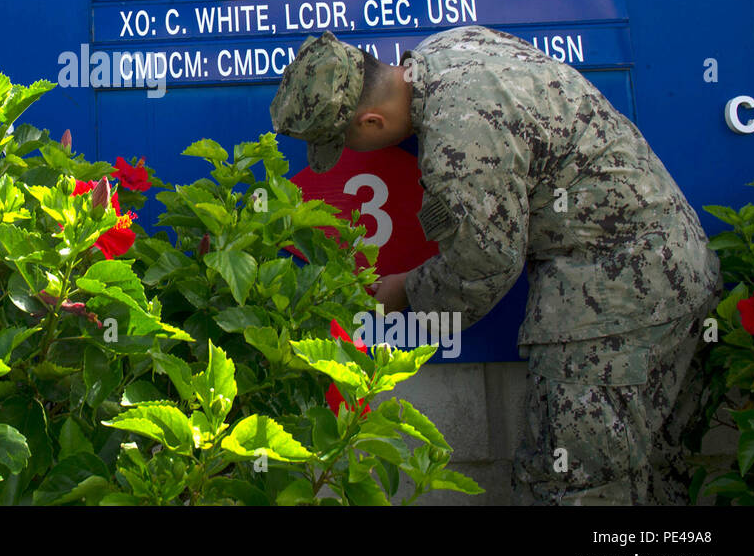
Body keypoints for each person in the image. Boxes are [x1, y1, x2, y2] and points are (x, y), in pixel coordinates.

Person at [269, 25, 721, 505]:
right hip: (674, 274)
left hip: (613, 301)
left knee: (571, 486)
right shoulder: (450, 47)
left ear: (372, 123)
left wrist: (405, 291)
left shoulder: (458, 142)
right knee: (656, 475)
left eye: (342, 142)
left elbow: (483, 266)